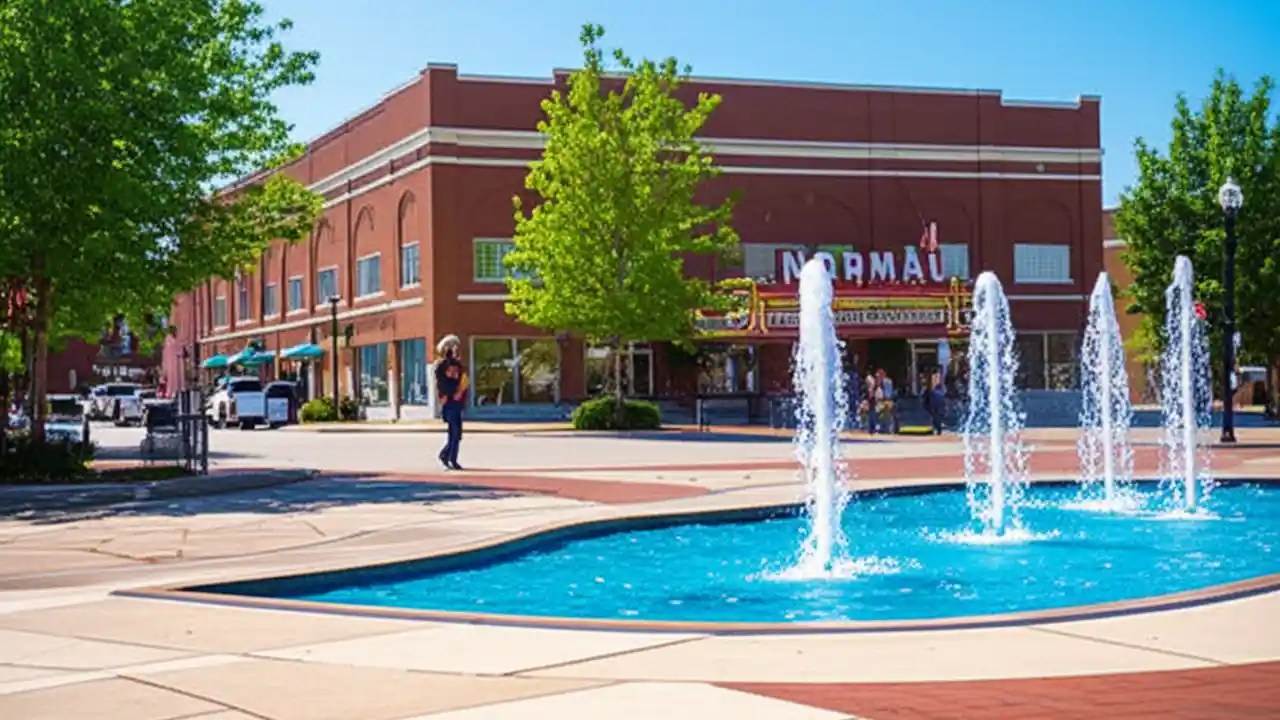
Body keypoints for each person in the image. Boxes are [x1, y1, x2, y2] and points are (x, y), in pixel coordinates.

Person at [434, 334, 468, 470]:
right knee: (453, 432)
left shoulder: (458, 365)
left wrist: (461, 393)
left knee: (457, 434)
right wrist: (448, 394)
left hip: (457, 403)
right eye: (451, 347)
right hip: (449, 403)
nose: (454, 349)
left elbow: (463, 379)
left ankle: (447, 455)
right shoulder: (441, 366)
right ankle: (450, 458)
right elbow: (442, 383)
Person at [923, 371, 947, 435]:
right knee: (935, 417)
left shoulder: (939, 389)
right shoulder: (931, 389)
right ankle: (936, 428)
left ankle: (937, 428)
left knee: (937, 417)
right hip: (934, 404)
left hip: (936, 404)